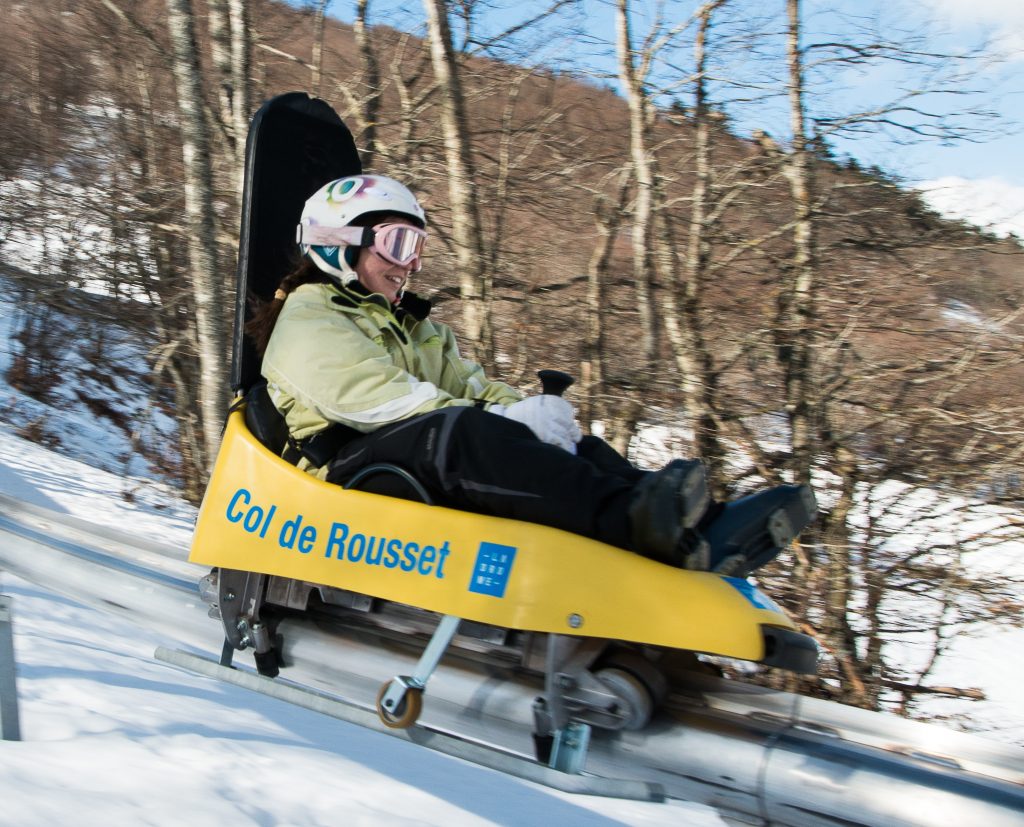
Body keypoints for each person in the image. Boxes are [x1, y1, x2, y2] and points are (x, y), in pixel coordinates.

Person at [245, 174, 816, 577]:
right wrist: (495, 420)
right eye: (397, 243)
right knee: (462, 433)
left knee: (560, 442)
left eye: (417, 247)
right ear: (339, 243)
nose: (410, 263)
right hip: (338, 475)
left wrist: (529, 415)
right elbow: (368, 399)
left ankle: (692, 525)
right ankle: (638, 522)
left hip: (407, 446)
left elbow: (471, 386)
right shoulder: (309, 314)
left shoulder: (414, 327)